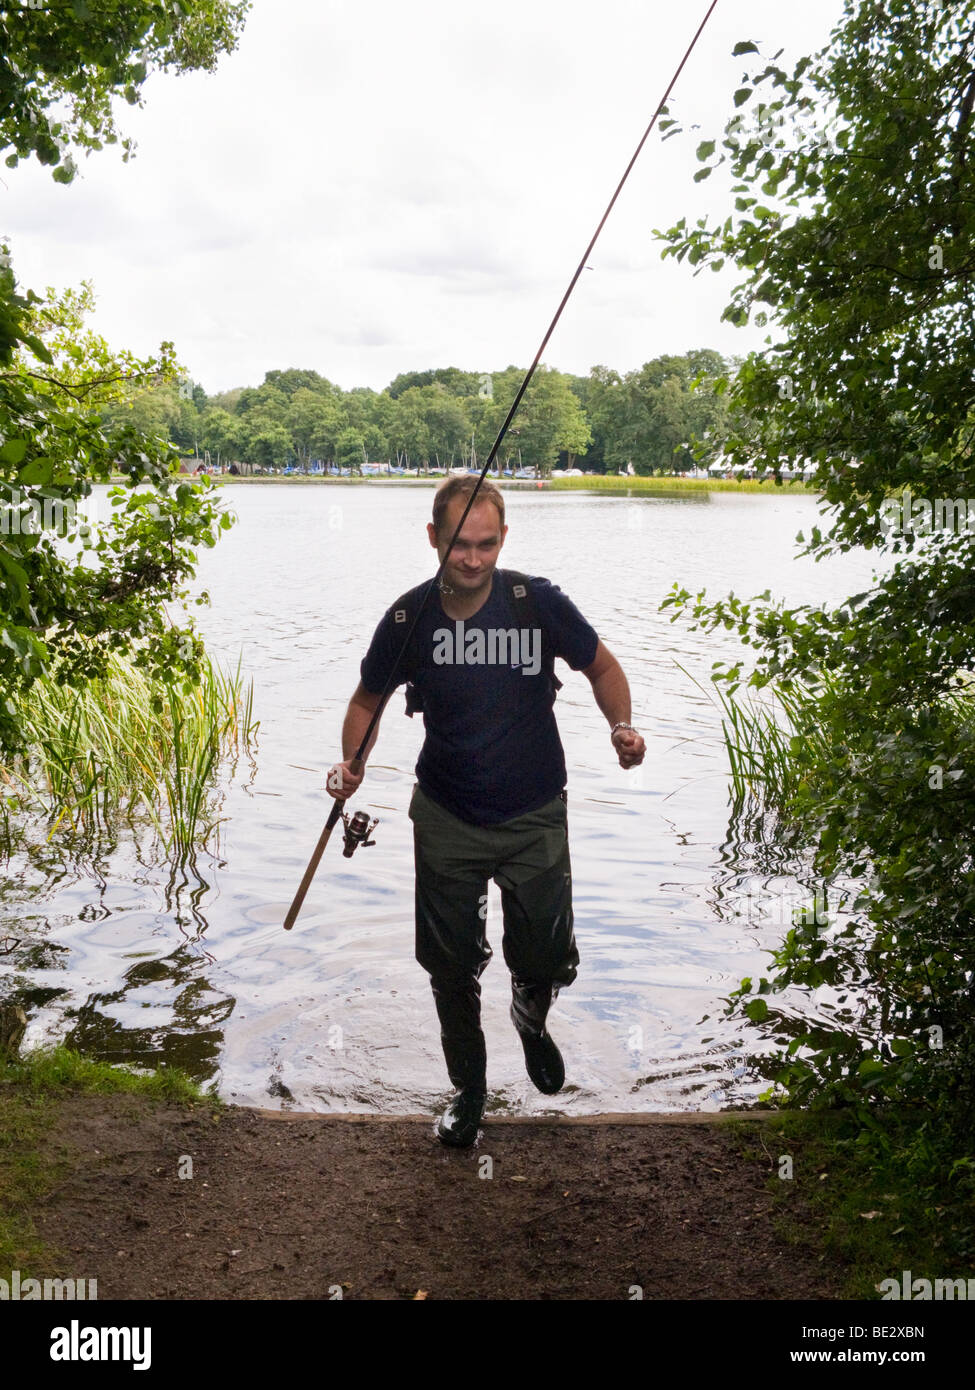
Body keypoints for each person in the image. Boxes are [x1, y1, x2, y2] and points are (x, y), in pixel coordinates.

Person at [326, 475, 646, 1147]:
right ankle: (468, 1091)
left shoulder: (536, 603)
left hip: (534, 811)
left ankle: (530, 1017)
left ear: (502, 539)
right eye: (459, 544)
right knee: (448, 966)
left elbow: (602, 668)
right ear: (433, 537)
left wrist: (621, 726)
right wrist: (351, 763)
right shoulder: (409, 619)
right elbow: (367, 701)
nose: (472, 559)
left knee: (546, 955)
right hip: (444, 813)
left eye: (486, 544)